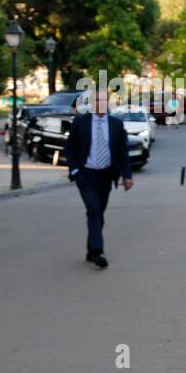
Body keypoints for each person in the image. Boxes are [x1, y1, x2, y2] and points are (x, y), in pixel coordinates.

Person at [64, 89, 133, 269]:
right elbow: (70, 149)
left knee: (98, 213)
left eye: (104, 100)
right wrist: (75, 171)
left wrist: (127, 176)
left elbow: (122, 153)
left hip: (106, 175)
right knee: (94, 210)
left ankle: (90, 250)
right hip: (86, 175)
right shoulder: (80, 123)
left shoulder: (116, 124)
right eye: (97, 101)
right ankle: (97, 251)